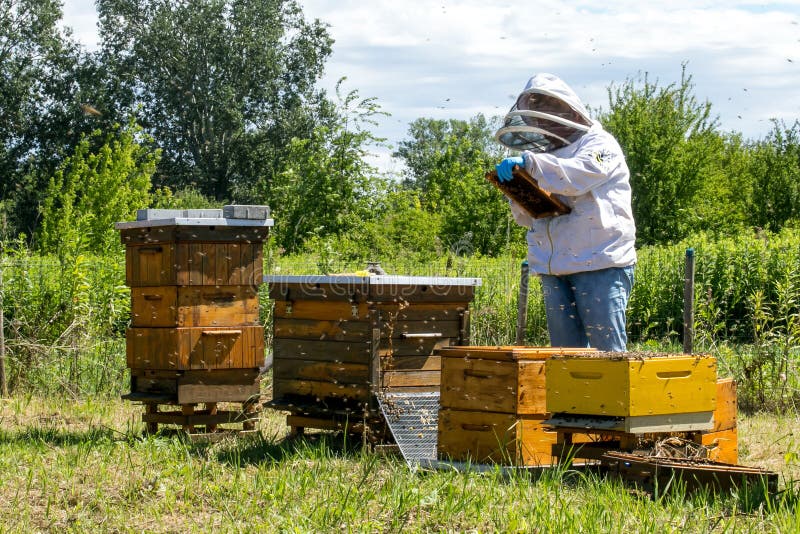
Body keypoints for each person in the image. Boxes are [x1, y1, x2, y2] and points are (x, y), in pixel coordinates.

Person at [494, 73, 636, 352]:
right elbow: (527, 217)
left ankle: (610, 398)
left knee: (607, 356)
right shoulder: (549, 155)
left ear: (566, 110)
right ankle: (573, 399)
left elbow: (578, 175)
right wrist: (515, 188)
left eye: (547, 113)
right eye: (538, 118)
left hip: (600, 263)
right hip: (555, 267)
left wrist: (531, 163)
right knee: (566, 358)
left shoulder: (599, 144)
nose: (543, 122)